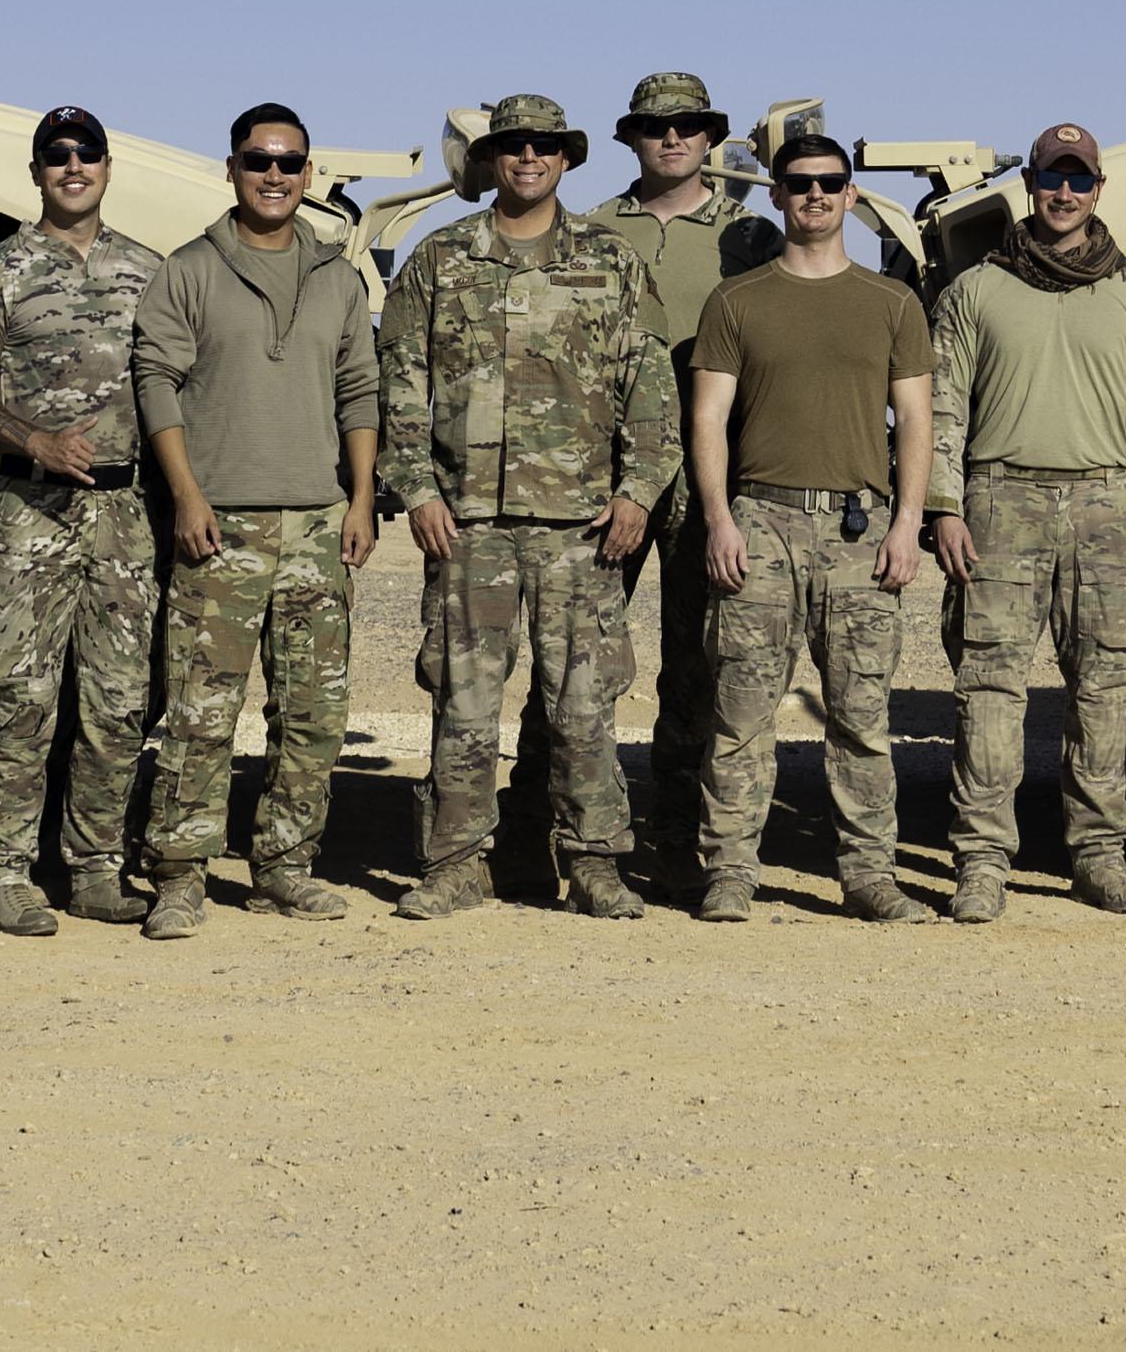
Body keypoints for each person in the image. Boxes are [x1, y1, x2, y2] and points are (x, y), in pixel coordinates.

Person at [376, 94, 675, 921]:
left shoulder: (610, 260)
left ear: (567, 157)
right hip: (468, 524)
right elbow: (399, 385)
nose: (529, 157)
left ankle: (594, 862)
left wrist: (638, 490)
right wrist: (418, 489)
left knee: (584, 707)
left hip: (581, 527)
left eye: (545, 145)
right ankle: (454, 863)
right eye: (513, 145)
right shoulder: (440, 259)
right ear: (492, 159)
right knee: (463, 706)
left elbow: (649, 388)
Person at [923, 122, 1126, 919]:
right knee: (989, 688)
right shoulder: (975, 291)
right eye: (1052, 177)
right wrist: (944, 506)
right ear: (1030, 183)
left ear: (1099, 188)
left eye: (1079, 179)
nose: (1065, 193)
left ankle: (1099, 854)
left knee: (1106, 686)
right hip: (999, 502)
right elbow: (943, 409)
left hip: (1104, 506)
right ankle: (981, 860)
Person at [134, 102, 385, 933]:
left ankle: (284, 866)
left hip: (317, 524)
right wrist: (186, 494)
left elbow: (359, 390)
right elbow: (156, 381)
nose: (273, 175)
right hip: (222, 523)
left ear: (308, 175)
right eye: (257, 159)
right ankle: (179, 874)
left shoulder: (338, 278)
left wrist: (360, 498)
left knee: (312, 714)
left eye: (288, 162)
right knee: (202, 710)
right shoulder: (190, 269)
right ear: (232, 168)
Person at [686, 127, 939, 923]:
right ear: (776, 195)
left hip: (858, 532)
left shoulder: (893, 303)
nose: (816, 194)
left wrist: (907, 523)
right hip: (760, 521)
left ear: (851, 195)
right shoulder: (736, 301)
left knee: (861, 719)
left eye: (831, 182)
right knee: (740, 715)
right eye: (800, 183)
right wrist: (720, 519)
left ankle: (869, 875)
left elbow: (918, 421)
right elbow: (708, 418)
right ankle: (730, 871)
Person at [0, 105, 171, 938]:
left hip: (124, 514)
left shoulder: (150, 271)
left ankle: (95, 868)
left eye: (87, 153)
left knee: (118, 700)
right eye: (57, 154)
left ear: (107, 166)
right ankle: (6, 871)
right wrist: (32, 438)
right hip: (29, 509)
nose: (73, 165)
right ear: (36, 171)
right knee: (20, 695)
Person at [590, 72, 775, 889]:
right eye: (656, 125)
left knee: (697, 666)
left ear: (709, 138)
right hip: (610, 477)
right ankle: (572, 831)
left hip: (712, 480)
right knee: (583, 659)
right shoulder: (591, 230)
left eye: (689, 125)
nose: (672, 137)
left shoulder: (752, 236)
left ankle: (676, 839)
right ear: (631, 137)